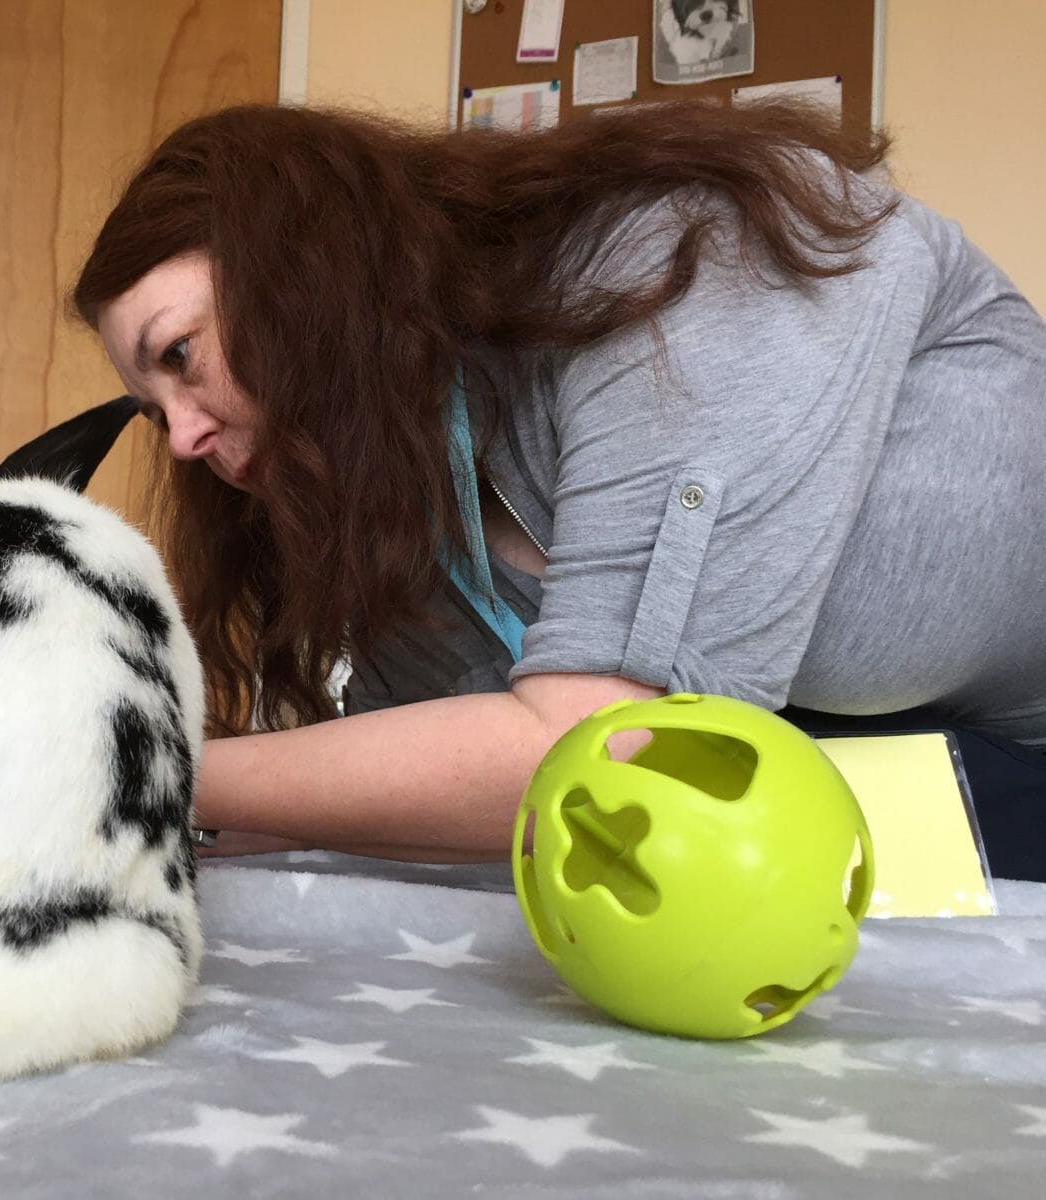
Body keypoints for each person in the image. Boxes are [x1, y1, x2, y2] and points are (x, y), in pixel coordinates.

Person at [70, 101, 1046, 879]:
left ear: (300, 262)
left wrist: (137, 770)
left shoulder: (684, 258)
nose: (184, 439)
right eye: (155, 410)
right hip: (859, 775)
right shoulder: (424, 477)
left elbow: (609, 751)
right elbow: (419, 774)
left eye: (180, 354)